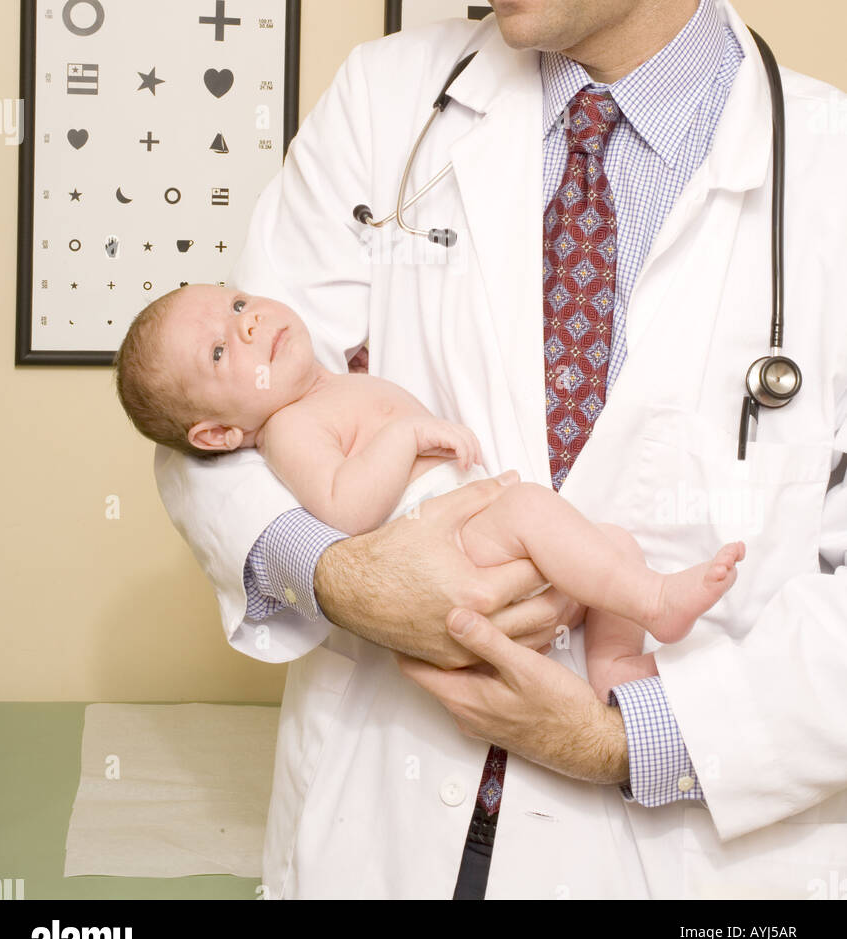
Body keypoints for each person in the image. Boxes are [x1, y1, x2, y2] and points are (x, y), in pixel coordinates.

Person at [154, 0, 847, 899]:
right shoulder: (386, 105)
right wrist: (352, 576)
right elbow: (215, 421)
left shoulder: (833, 176)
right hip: (386, 824)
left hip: (677, 860)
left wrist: (617, 737)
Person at [116, 282, 745, 701]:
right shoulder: (289, 427)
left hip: (474, 534)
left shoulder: (326, 388)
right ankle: (657, 600)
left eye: (236, 304)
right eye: (222, 350)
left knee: (609, 542)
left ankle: (614, 671)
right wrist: (407, 435)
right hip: (444, 548)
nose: (250, 323)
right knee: (532, 511)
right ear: (222, 433)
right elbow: (342, 509)